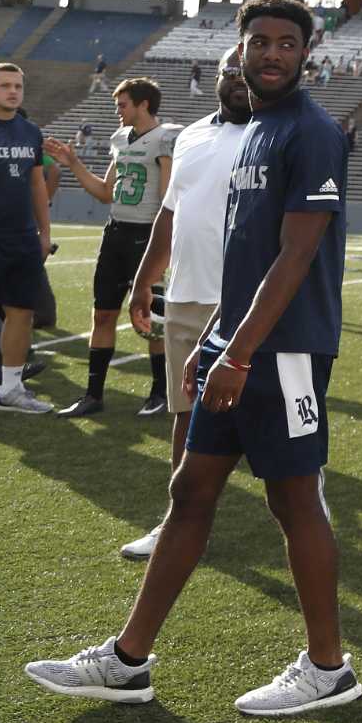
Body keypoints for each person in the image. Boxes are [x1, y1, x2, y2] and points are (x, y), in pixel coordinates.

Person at [24, 0, 360, 714]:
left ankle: (329, 667)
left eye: (287, 43)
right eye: (259, 41)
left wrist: (235, 352)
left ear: (307, 54)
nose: (272, 53)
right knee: (190, 490)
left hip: (285, 352)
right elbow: (243, 251)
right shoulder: (254, 129)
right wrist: (213, 342)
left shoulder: (312, 132)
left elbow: (297, 254)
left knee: (294, 499)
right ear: (239, 51)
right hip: (231, 341)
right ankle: (128, 661)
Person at [118, 48, 254, 560]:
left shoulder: (274, 134)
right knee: (185, 414)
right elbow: (170, 215)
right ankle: (178, 522)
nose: (240, 79)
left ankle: (310, 516)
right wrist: (145, 280)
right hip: (186, 295)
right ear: (215, 77)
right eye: (231, 71)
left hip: (249, 302)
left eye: (246, 71)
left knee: (275, 420)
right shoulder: (191, 135)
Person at [44, 78, 181, 417]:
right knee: (103, 313)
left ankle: (159, 394)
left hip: (146, 234)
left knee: (151, 316)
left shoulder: (165, 138)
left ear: (143, 104)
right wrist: (74, 163)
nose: (118, 111)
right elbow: (106, 193)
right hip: (115, 233)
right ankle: (93, 395)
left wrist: (164, 243)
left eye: (122, 105)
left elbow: (167, 198)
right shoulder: (120, 138)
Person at [0, 63, 54, 413]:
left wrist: (44, 232)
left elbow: (36, 183)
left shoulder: (30, 131)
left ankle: (10, 390)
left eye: (18, 86)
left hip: (21, 237)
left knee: (20, 312)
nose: (13, 91)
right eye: (5, 85)